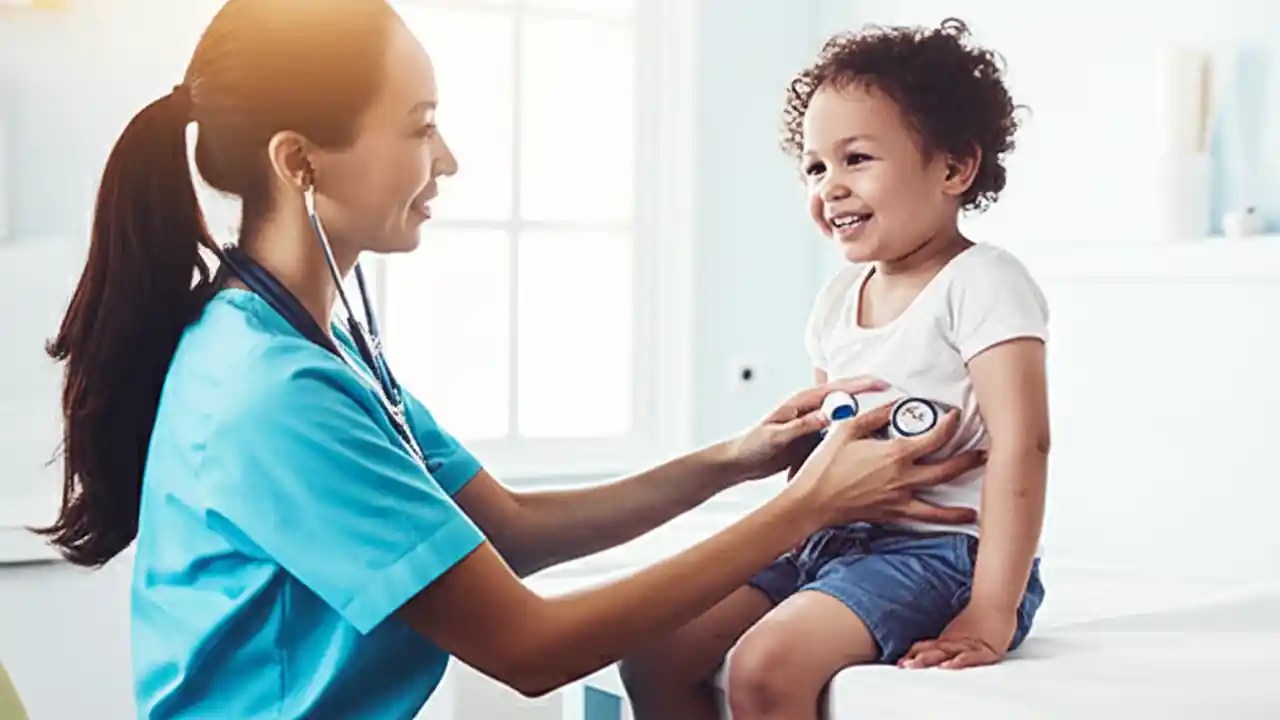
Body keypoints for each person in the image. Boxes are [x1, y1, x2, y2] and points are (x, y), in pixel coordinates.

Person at [36, 1, 984, 717]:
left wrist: (733, 460)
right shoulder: (269, 392)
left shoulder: (307, 343)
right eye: (417, 125)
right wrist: (806, 509)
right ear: (300, 160)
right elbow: (531, 650)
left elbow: (513, 530)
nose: (445, 159)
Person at [620, 18, 1051, 720]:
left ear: (953, 168)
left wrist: (990, 611)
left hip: (943, 552)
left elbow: (1022, 446)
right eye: (815, 168)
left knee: (765, 668)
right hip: (831, 536)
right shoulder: (833, 302)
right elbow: (827, 452)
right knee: (652, 651)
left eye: (856, 159)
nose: (831, 187)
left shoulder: (983, 282)